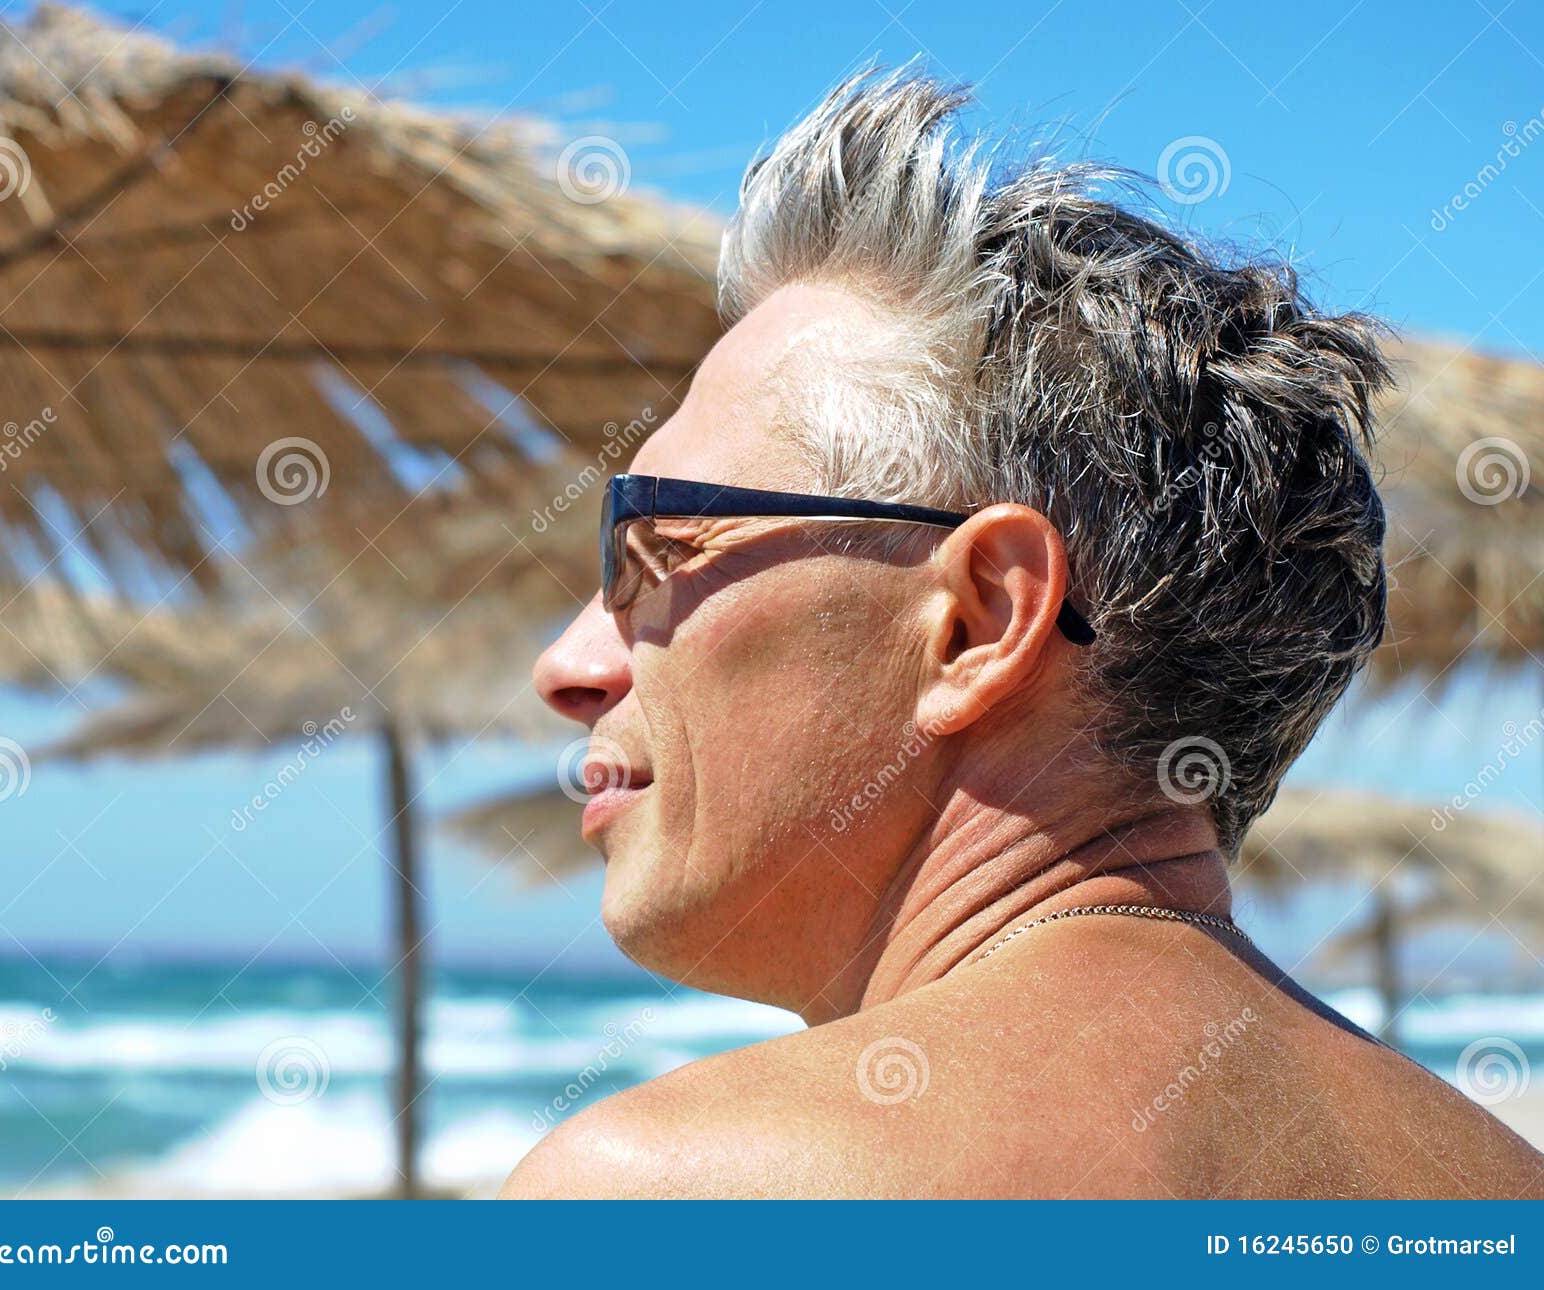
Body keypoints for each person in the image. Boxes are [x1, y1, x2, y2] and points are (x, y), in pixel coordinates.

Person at [505, 70, 1544, 1199]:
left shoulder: (682, 1192)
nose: (569, 666)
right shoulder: (1492, 1190)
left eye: (654, 548)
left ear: (976, 622)